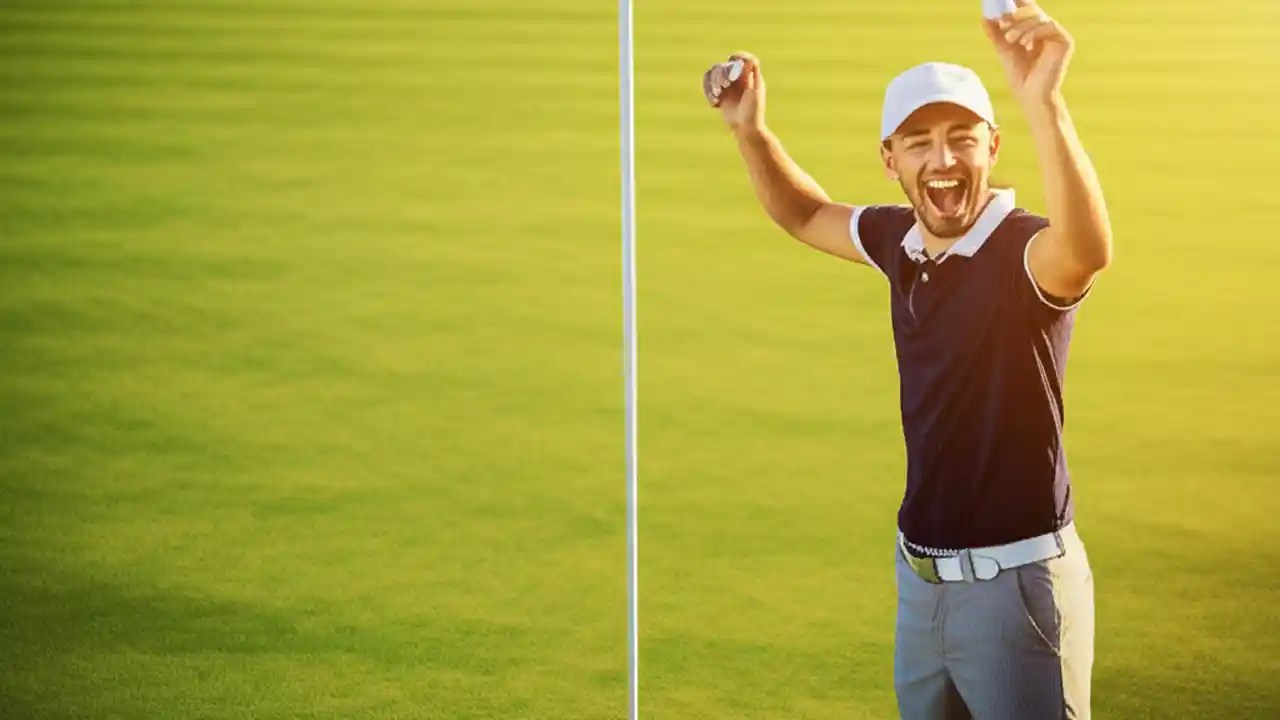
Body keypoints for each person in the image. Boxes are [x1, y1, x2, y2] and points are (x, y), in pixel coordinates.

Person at [702, 2, 1111, 718]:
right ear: (890, 160)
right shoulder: (902, 243)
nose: (943, 160)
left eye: (962, 139)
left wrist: (1045, 101)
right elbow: (806, 213)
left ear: (993, 147)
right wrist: (750, 130)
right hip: (920, 585)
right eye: (919, 143)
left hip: (1015, 592)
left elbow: (1086, 251)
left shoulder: (1022, 251)